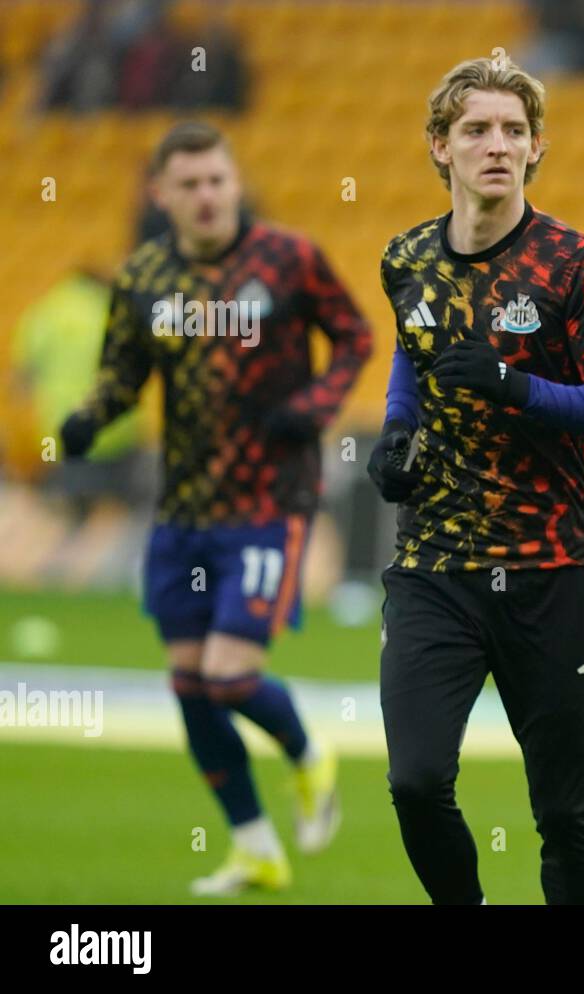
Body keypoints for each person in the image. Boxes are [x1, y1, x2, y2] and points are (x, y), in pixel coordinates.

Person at [60, 121, 372, 896]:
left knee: (229, 677)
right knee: (189, 682)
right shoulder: (143, 279)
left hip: (269, 500)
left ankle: (307, 754)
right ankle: (255, 845)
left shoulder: (288, 260)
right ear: (160, 195)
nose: (205, 196)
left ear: (236, 183)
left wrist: (315, 402)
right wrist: (89, 419)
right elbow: (121, 376)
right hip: (183, 507)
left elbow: (357, 337)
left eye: (216, 180)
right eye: (188, 184)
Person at [367, 55, 584, 905]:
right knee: (415, 781)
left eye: (514, 131)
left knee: (565, 814)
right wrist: (394, 437)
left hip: (551, 568)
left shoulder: (573, 263)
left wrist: (518, 388)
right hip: (436, 566)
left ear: (535, 150)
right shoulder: (406, 258)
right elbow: (414, 364)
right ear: (439, 148)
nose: (498, 145)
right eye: (477, 130)